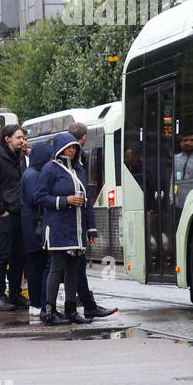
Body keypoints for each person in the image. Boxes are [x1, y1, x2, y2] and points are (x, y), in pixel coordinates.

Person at [35, 133, 93, 326]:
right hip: (57, 228)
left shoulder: (79, 170)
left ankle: (71, 310)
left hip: (77, 229)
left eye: (75, 147)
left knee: (74, 270)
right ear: (59, 148)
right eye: (69, 147)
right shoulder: (50, 169)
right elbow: (39, 197)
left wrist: (91, 229)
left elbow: (87, 202)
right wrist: (64, 201)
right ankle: (49, 311)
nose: (72, 150)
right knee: (56, 268)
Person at [66, 122, 116, 320]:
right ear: (84, 138)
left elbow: (85, 198)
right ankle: (55, 308)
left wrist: (91, 227)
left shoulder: (78, 164)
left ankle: (86, 305)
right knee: (63, 269)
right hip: (68, 226)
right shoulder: (66, 166)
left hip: (77, 225)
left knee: (77, 267)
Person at [0, 123, 28, 311]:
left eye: (23, 138)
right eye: (19, 137)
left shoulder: (20, 159)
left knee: (19, 256)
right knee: (2, 256)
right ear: (7, 138)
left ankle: (15, 294)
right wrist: (2, 210)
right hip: (4, 215)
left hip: (19, 213)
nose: (22, 141)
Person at [21, 140, 54, 318]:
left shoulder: (31, 172)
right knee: (37, 266)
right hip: (34, 227)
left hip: (32, 225)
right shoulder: (33, 175)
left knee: (37, 266)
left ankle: (37, 303)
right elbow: (37, 198)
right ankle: (37, 303)